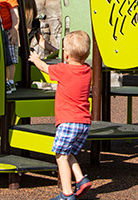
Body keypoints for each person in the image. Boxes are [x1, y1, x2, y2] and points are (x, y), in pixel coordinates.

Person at [28, 31, 93, 200]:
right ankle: (81, 179)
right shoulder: (87, 71)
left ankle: (67, 193)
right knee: (67, 152)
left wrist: (35, 59)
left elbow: (44, 68)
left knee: (60, 156)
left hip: (68, 121)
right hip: (83, 122)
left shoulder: (64, 70)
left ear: (66, 54)